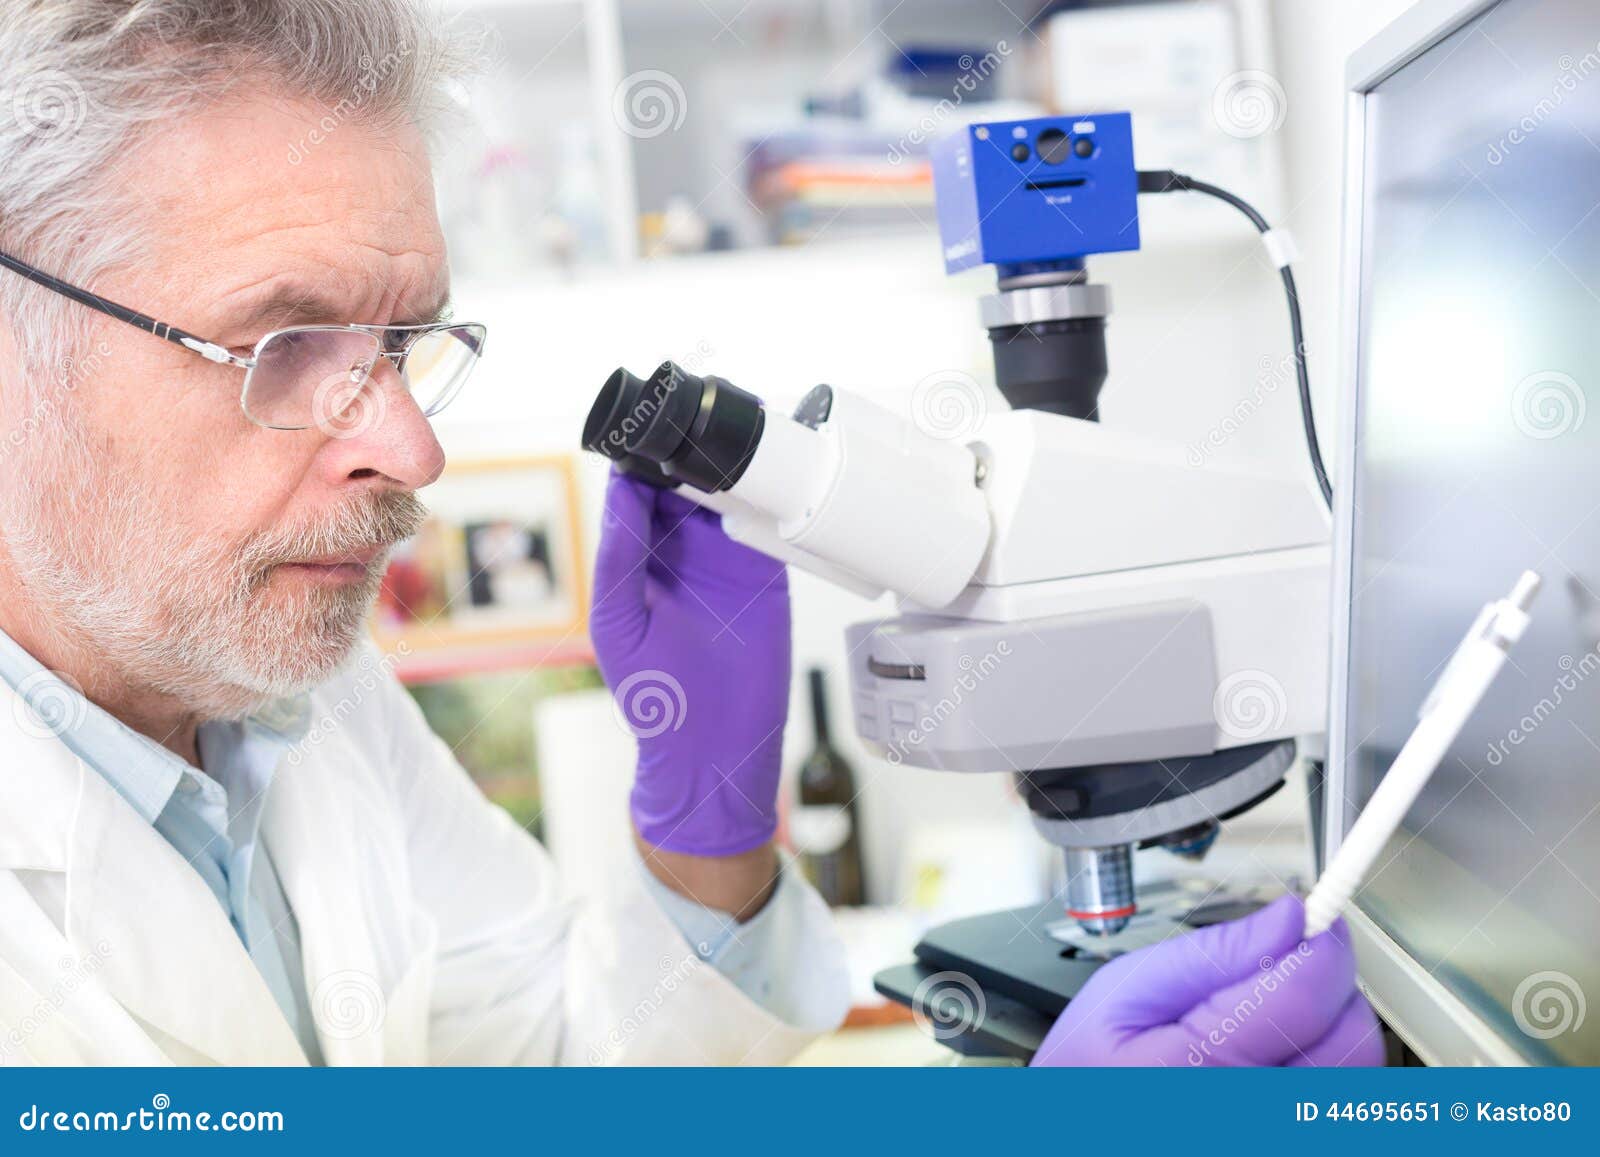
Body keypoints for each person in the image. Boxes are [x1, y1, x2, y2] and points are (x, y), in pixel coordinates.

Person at [0, 0, 1381, 1068]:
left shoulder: (295, 711)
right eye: (288, 341)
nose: (412, 448)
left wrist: (705, 810)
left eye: (407, 342)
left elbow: (566, 1071)